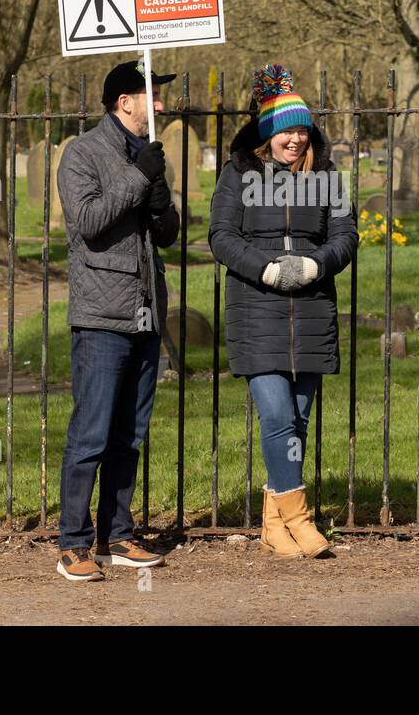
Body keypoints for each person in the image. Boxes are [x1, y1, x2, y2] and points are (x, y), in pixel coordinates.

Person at [208, 64, 358, 558]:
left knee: (298, 419)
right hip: (258, 308)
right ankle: (300, 518)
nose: (293, 139)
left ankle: (274, 525)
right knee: (276, 415)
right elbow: (222, 238)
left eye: (300, 130)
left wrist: (316, 266)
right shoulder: (238, 174)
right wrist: (267, 270)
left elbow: (345, 237)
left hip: (311, 310)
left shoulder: (325, 176)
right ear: (267, 134)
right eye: (284, 130)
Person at [54, 60, 180, 582]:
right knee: (91, 433)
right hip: (102, 315)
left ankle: (118, 535)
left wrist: (158, 200)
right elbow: (87, 222)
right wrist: (139, 176)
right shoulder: (82, 153)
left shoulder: (148, 158)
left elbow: (169, 233)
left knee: (130, 434)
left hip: (146, 313)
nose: (160, 106)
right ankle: (73, 543)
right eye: (152, 96)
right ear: (124, 101)